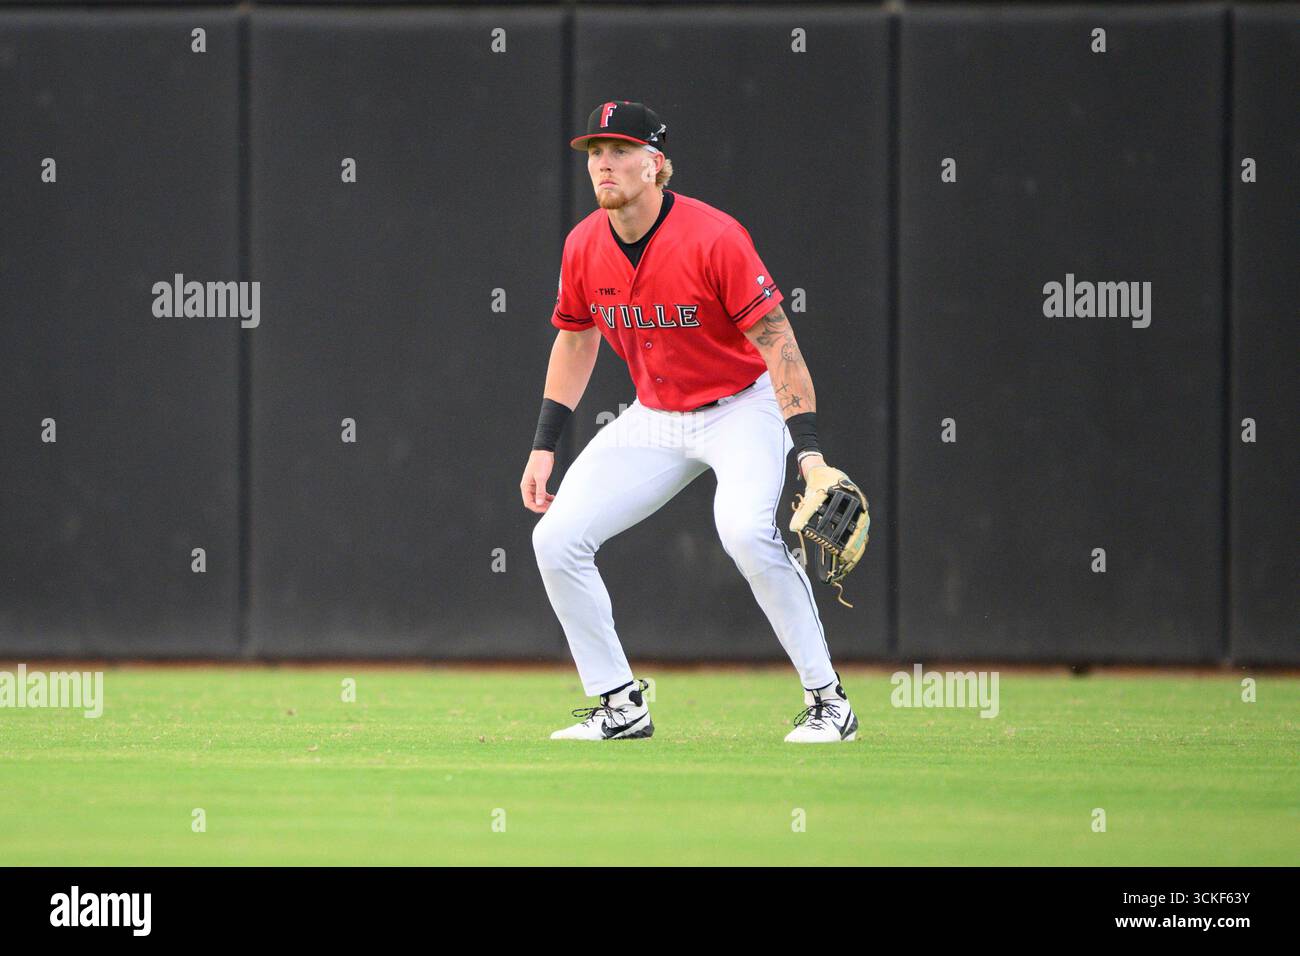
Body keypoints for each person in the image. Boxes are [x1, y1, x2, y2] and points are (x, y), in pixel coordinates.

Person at [521, 100, 856, 743]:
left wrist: (808, 453)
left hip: (741, 406)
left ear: (656, 164)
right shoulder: (584, 244)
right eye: (595, 153)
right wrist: (544, 446)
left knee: (746, 534)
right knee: (555, 541)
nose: (604, 164)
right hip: (656, 416)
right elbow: (574, 339)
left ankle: (829, 702)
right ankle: (621, 704)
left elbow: (778, 343)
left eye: (620, 150)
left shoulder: (714, 237)